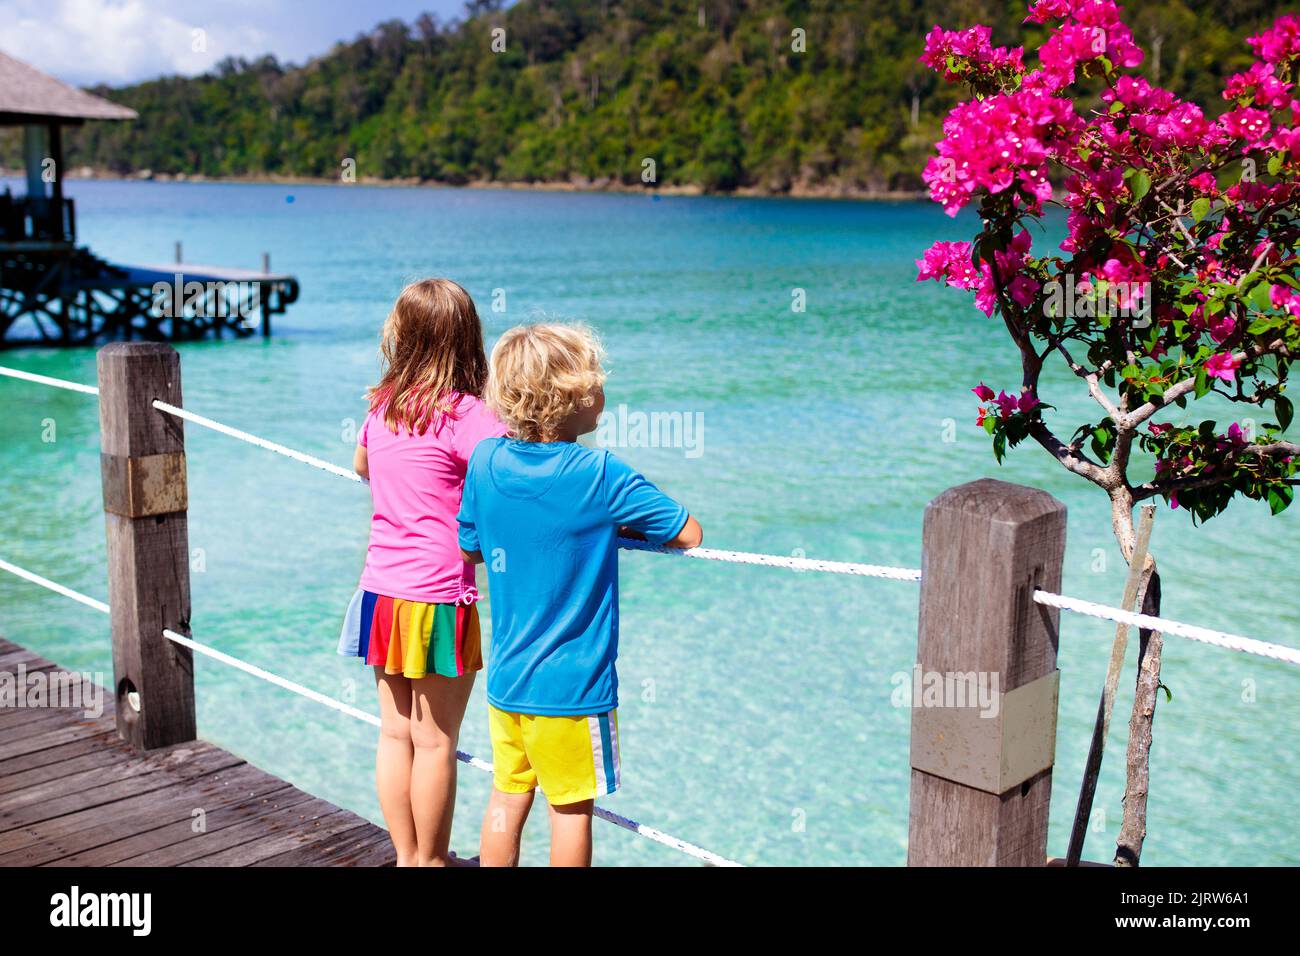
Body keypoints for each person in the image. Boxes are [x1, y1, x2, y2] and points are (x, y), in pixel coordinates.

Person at [458, 323, 703, 866]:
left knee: (506, 796)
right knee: (570, 811)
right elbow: (687, 532)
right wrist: (611, 527)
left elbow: (471, 546)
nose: (604, 396)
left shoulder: (484, 461)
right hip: (572, 690)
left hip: (508, 681)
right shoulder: (601, 475)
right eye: (596, 386)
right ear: (569, 397)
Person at [337, 278, 505, 866]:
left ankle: (408, 856)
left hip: (380, 592)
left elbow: (362, 465)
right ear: (469, 339)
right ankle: (431, 861)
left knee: (394, 734)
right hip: (439, 599)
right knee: (436, 743)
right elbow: (505, 481)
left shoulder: (383, 408)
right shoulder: (473, 417)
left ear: (400, 337)